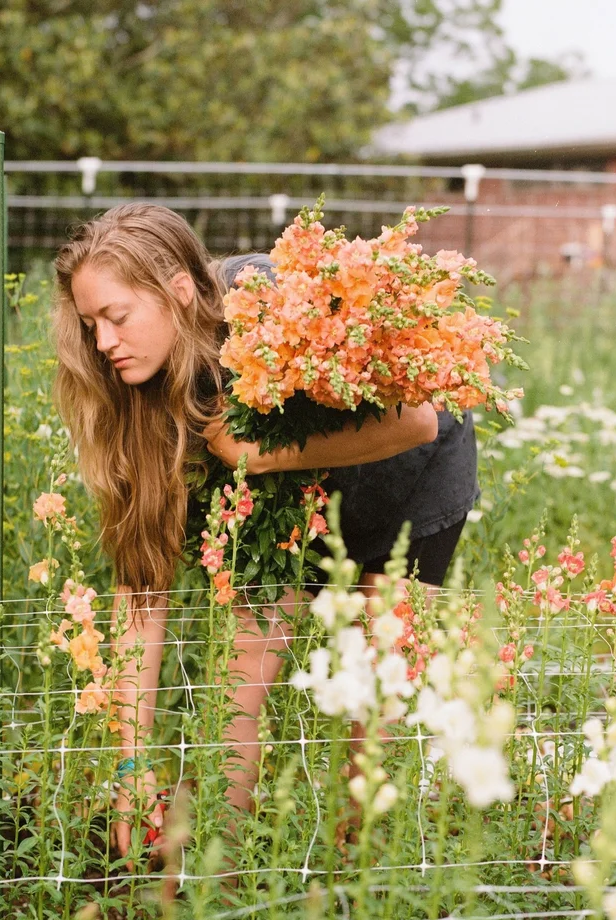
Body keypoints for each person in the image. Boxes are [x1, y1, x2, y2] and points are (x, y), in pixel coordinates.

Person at [52, 203, 479, 859]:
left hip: (409, 473)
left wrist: (257, 455)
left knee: (372, 701)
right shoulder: (136, 399)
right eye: (90, 325)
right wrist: (131, 775)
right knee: (239, 684)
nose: (104, 342)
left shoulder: (263, 301)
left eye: (117, 316)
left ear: (180, 291)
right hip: (288, 505)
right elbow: (141, 598)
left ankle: (350, 893)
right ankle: (208, 904)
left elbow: (419, 418)